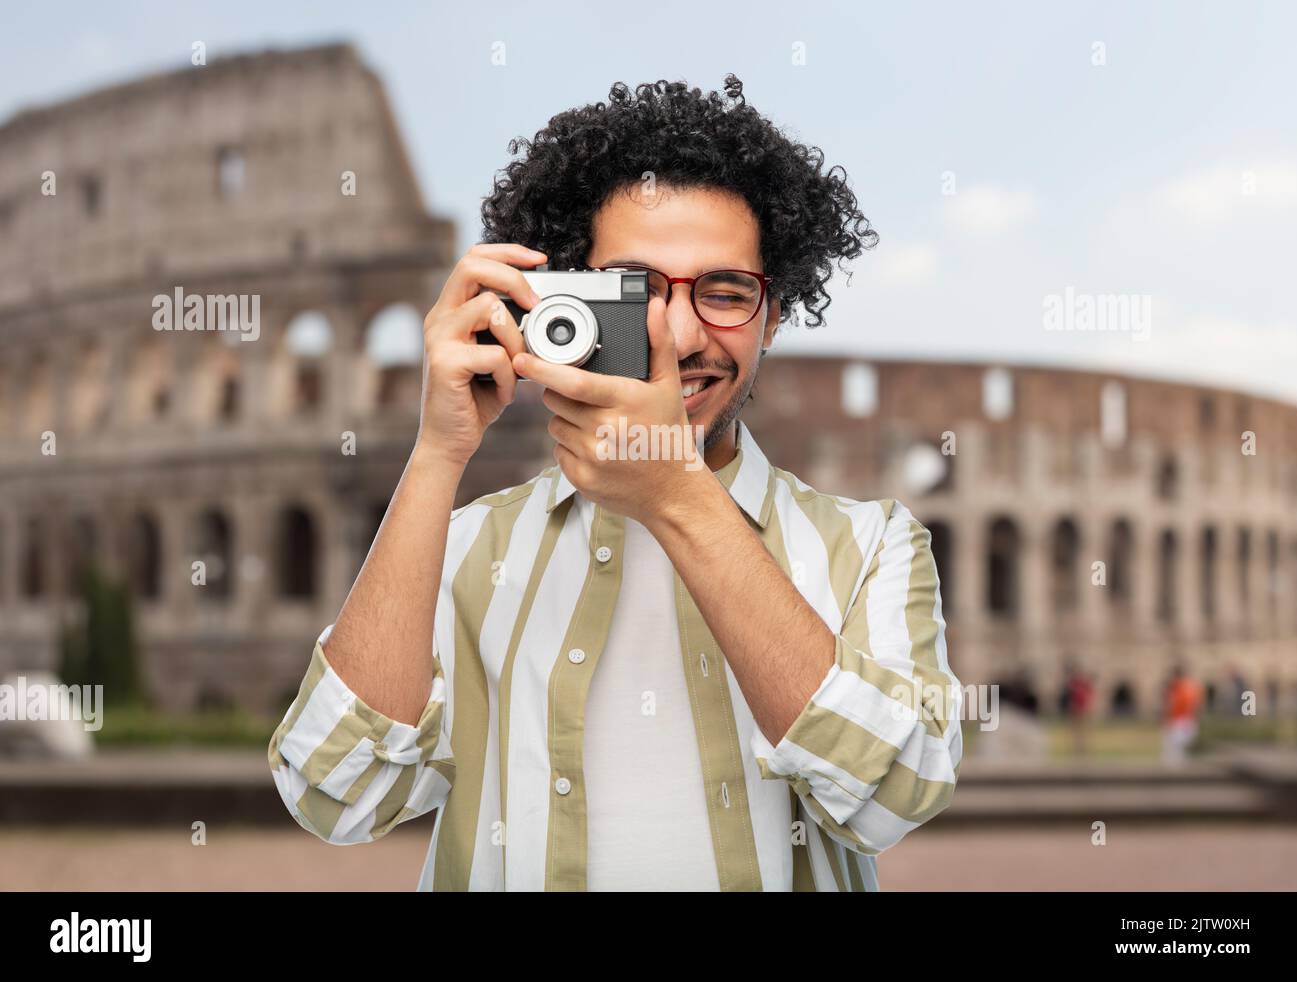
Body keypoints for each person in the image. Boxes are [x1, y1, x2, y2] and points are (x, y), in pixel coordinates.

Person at [267, 75, 962, 891]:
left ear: (776, 317)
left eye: (727, 292)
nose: (680, 334)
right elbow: (334, 792)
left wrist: (676, 495)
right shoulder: (465, 547)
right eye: (634, 291)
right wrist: (436, 452)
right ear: (565, 299)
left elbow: (897, 795)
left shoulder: (872, 544)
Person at [1161, 663, 1203, 766]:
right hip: (1182, 723)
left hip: (1181, 723)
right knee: (1176, 753)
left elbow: (1185, 707)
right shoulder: (1184, 688)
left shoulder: (1183, 689)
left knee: (1175, 754)